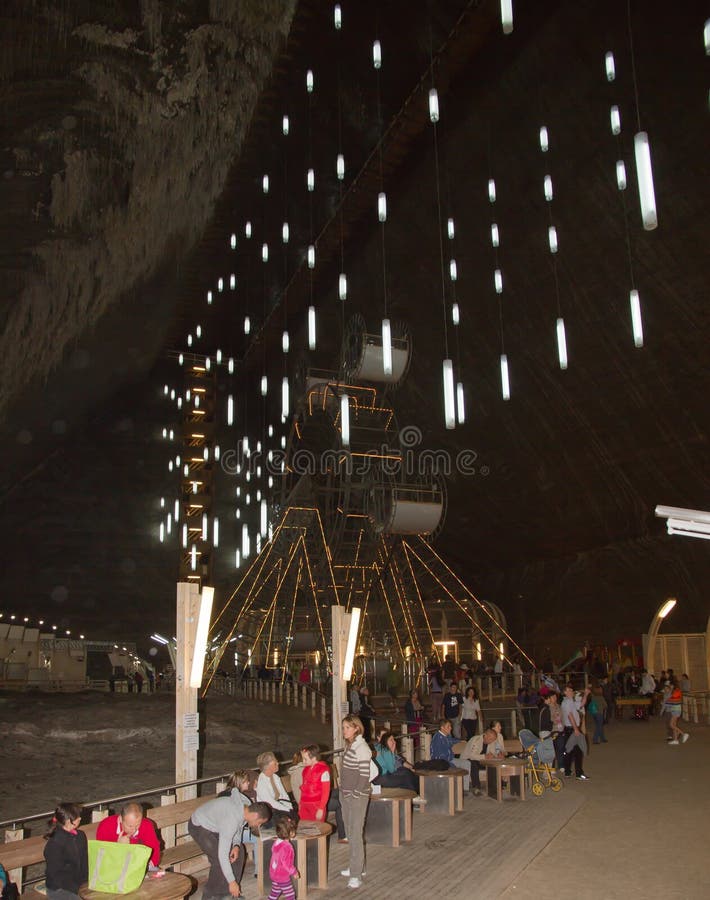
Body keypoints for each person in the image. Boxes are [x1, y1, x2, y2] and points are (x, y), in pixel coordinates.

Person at [189, 794, 271, 900]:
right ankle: (210, 896)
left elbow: (239, 827)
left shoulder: (246, 808)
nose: (258, 826)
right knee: (218, 860)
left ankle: (228, 893)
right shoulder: (231, 820)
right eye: (259, 823)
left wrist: (236, 845)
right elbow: (222, 854)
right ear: (255, 816)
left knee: (240, 851)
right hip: (199, 825)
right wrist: (231, 881)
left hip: (217, 825)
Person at [339, 715, 372, 890]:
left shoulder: (362, 748)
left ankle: (356, 875)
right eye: (343, 727)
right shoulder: (350, 745)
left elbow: (364, 775)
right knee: (350, 832)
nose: (344, 731)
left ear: (356, 728)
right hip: (346, 794)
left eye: (347, 727)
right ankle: (357, 866)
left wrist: (356, 793)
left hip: (356, 797)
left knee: (356, 833)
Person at [299, 745, 345, 841]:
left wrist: (321, 808)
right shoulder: (305, 770)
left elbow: (325, 792)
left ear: (314, 758)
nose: (303, 761)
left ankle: (319, 847)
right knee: (305, 829)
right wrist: (300, 803)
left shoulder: (323, 770)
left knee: (318, 829)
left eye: (305, 759)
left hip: (316, 804)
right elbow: (303, 789)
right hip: (304, 804)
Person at [95, 802, 160, 869]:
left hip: (140, 867)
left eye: (137, 825)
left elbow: (155, 850)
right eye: (130, 826)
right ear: (120, 819)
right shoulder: (106, 826)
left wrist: (146, 867)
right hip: (113, 868)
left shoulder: (146, 824)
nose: (134, 830)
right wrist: (118, 846)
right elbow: (101, 858)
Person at [43, 802, 87, 900]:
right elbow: (56, 875)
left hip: (79, 883)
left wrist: (87, 882)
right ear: (68, 821)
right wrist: (77, 889)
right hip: (59, 888)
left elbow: (85, 861)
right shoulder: (55, 844)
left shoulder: (80, 836)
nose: (80, 818)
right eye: (77, 817)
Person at [561, 684, 590, 780]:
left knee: (572, 751)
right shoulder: (566, 702)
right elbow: (570, 716)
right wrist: (576, 729)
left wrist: (585, 694)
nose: (571, 691)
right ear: (565, 692)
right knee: (575, 751)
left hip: (572, 728)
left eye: (571, 690)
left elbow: (581, 704)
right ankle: (577, 773)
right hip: (571, 729)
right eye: (569, 690)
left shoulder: (571, 701)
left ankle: (569, 771)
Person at [430, 719, 470, 788]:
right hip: (440, 762)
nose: (451, 728)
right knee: (455, 768)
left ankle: (464, 788)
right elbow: (439, 757)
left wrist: (460, 741)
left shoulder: (446, 735)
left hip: (449, 759)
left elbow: (451, 740)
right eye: (448, 726)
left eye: (450, 726)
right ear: (442, 727)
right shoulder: (437, 738)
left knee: (466, 763)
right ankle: (454, 788)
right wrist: (451, 765)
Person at [460, 728, 501, 796]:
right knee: (473, 763)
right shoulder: (476, 740)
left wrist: (497, 755)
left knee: (493, 764)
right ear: (485, 735)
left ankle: (494, 786)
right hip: (466, 760)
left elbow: (493, 752)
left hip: (481, 761)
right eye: (491, 739)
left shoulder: (492, 742)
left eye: (493, 740)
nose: (492, 741)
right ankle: (476, 788)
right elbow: (472, 756)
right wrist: (485, 756)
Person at [266, 816, 299, 900]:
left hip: (274, 873)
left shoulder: (277, 842)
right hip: (282, 875)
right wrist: (294, 872)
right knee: (291, 895)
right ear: (290, 833)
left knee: (275, 892)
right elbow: (287, 864)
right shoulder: (287, 847)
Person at [539, 691, 565, 769]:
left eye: (555, 697)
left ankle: (561, 765)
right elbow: (547, 720)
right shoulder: (547, 708)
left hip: (560, 729)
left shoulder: (559, 706)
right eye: (553, 697)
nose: (555, 698)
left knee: (561, 747)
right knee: (552, 749)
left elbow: (563, 717)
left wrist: (563, 726)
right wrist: (554, 721)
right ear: (549, 698)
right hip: (551, 731)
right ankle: (551, 768)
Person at [663, 676, 689, 744]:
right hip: (675, 710)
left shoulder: (676, 691)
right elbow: (672, 700)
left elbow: (674, 701)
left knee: (671, 725)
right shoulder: (675, 691)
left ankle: (683, 734)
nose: (670, 687)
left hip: (676, 710)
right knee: (674, 725)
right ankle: (675, 740)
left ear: (673, 685)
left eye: (670, 685)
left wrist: (666, 702)